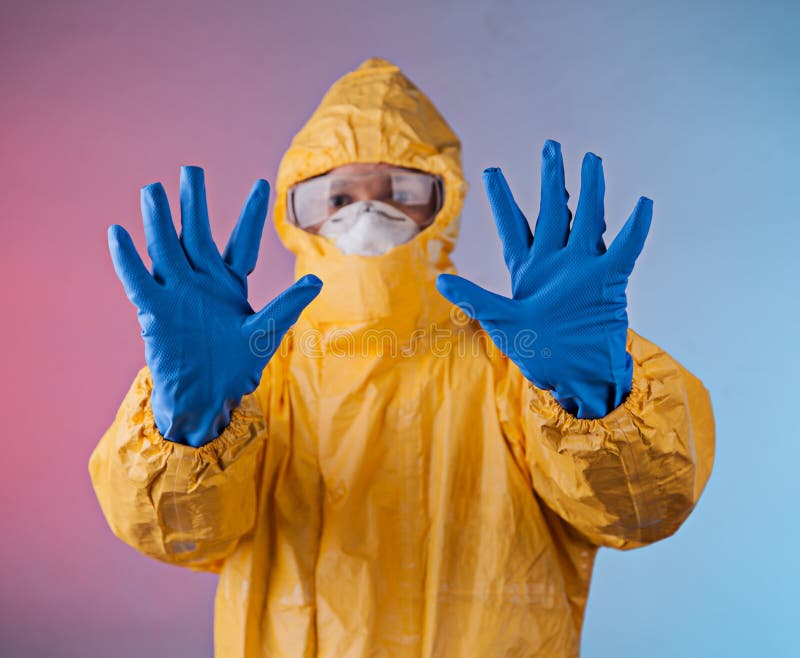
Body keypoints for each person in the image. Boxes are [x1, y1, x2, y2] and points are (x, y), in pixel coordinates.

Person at [89, 58, 715, 657]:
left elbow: (641, 513)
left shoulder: (519, 361)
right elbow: (176, 535)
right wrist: (193, 424)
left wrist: (597, 399)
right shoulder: (255, 374)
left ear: (443, 206)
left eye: (400, 191)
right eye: (334, 198)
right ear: (293, 214)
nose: (366, 213)